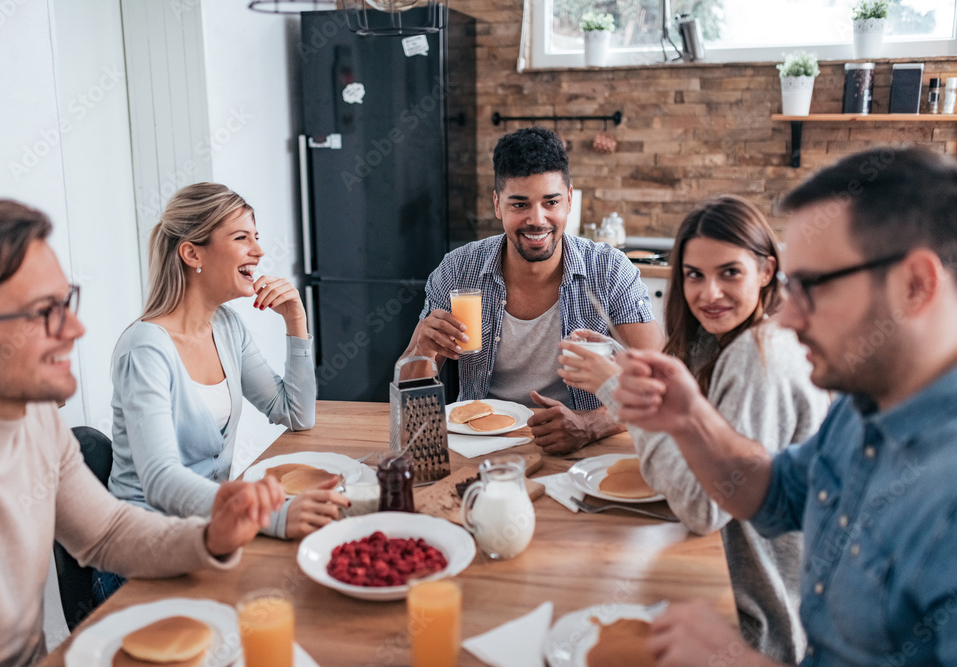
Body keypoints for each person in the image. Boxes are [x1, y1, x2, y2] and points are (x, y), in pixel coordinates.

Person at [611, 147, 957, 666]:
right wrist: (689, 419)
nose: (788, 317)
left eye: (814, 287)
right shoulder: (862, 407)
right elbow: (776, 493)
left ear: (915, 285)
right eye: (792, 286)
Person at [0, 200, 285, 667]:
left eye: (65, 300)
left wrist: (211, 537)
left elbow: (106, 532)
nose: (74, 328)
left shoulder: (34, 419)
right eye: (40, 311)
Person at [560, 195, 829, 662]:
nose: (709, 293)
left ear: (766, 270)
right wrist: (619, 358)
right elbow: (694, 409)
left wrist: (619, 392)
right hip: (726, 577)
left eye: (730, 272)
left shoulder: (760, 355)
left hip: (758, 622)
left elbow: (703, 509)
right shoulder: (730, 336)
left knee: (572, 610)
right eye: (694, 275)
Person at [104, 183, 346, 597]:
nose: (258, 250)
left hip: (210, 531)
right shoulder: (144, 349)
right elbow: (162, 480)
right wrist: (275, 515)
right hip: (141, 556)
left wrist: (295, 320)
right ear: (192, 253)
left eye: (256, 236)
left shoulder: (227, 328)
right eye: (241, 238)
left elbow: (295, 413)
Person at [403, 127, 665, 454]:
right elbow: (409, 392)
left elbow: (658, 383)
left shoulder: (609, 270)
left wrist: (591, 425)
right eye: (520, 204)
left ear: (569, 200)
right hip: (479, 445)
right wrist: (422, 352)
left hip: (581, 445)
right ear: (498, 205)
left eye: (550, 202)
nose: (537, 220)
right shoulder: (459, 269)